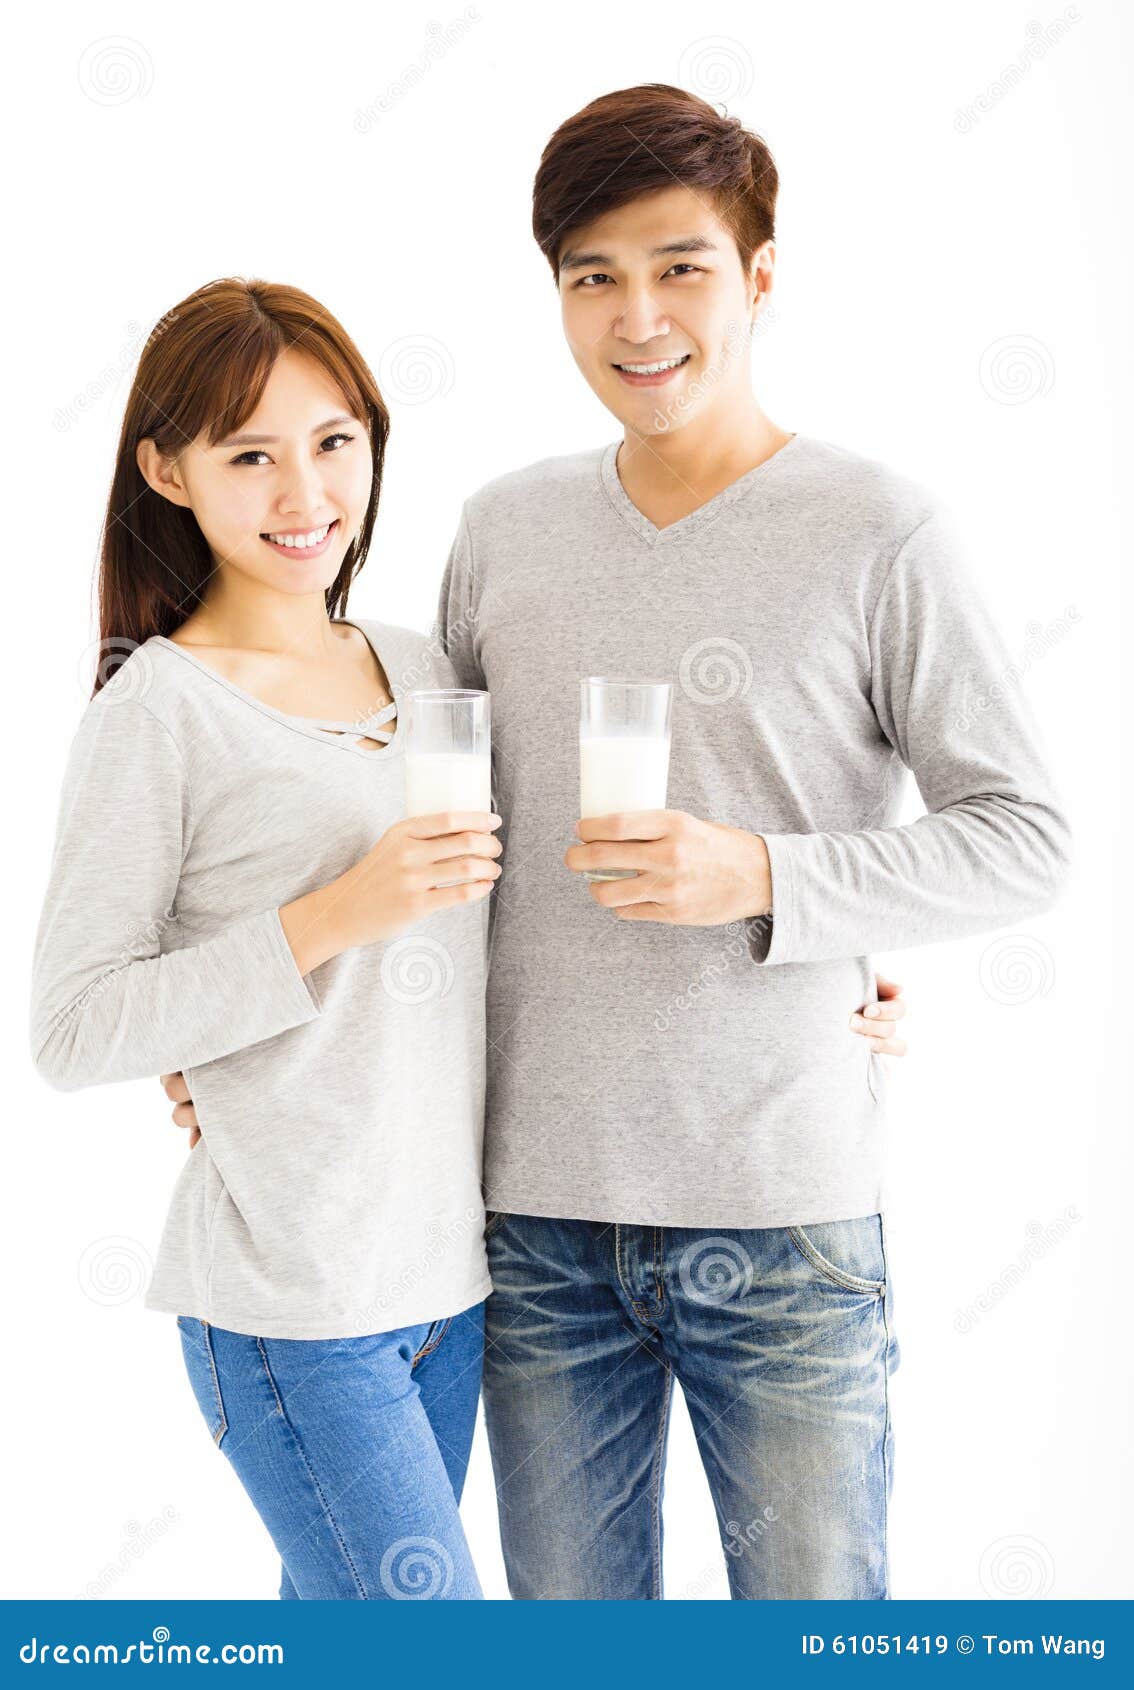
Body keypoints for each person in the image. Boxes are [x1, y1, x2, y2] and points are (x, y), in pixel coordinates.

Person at [428, 84, 1071, 1600]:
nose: (635, 316)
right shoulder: (499, 528)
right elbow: (431, 847)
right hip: (528, 1222)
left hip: (782, 1217)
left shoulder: (878, 530)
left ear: (760, 276)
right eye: (591, 276)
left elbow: (1025, 834)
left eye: (679, 267)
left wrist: (773, 878)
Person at [29, 279, 502, 1600]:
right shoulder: (159, 709)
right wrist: (332, 916)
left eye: (332, 441)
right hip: (294, 1304)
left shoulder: (430, 671)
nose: (305, 493)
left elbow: (505, 949)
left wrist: (820, 972)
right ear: (167, 470)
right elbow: (72, 1026)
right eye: (250, 455)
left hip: (453, 1282)